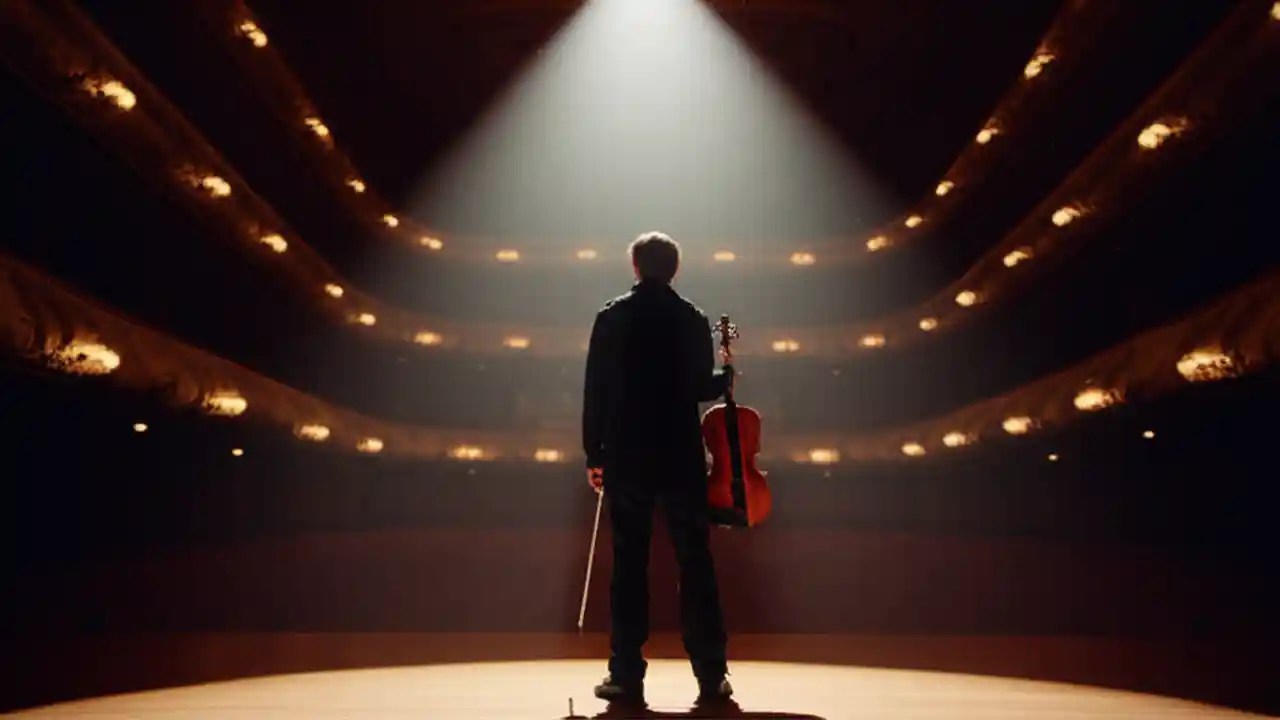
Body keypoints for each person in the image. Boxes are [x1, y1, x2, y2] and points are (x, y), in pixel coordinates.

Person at [582, 231, 736, 706]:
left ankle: (626, 676)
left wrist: (595, 454)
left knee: (629, 565)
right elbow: (697, 387)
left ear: (635, 266)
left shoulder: (612, 316)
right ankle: (712, 675)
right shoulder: (692, 319)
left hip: (628, 454)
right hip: (679, 455)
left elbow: (596, 390)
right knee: (696, 562)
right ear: (675, 269)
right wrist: (725, 377)